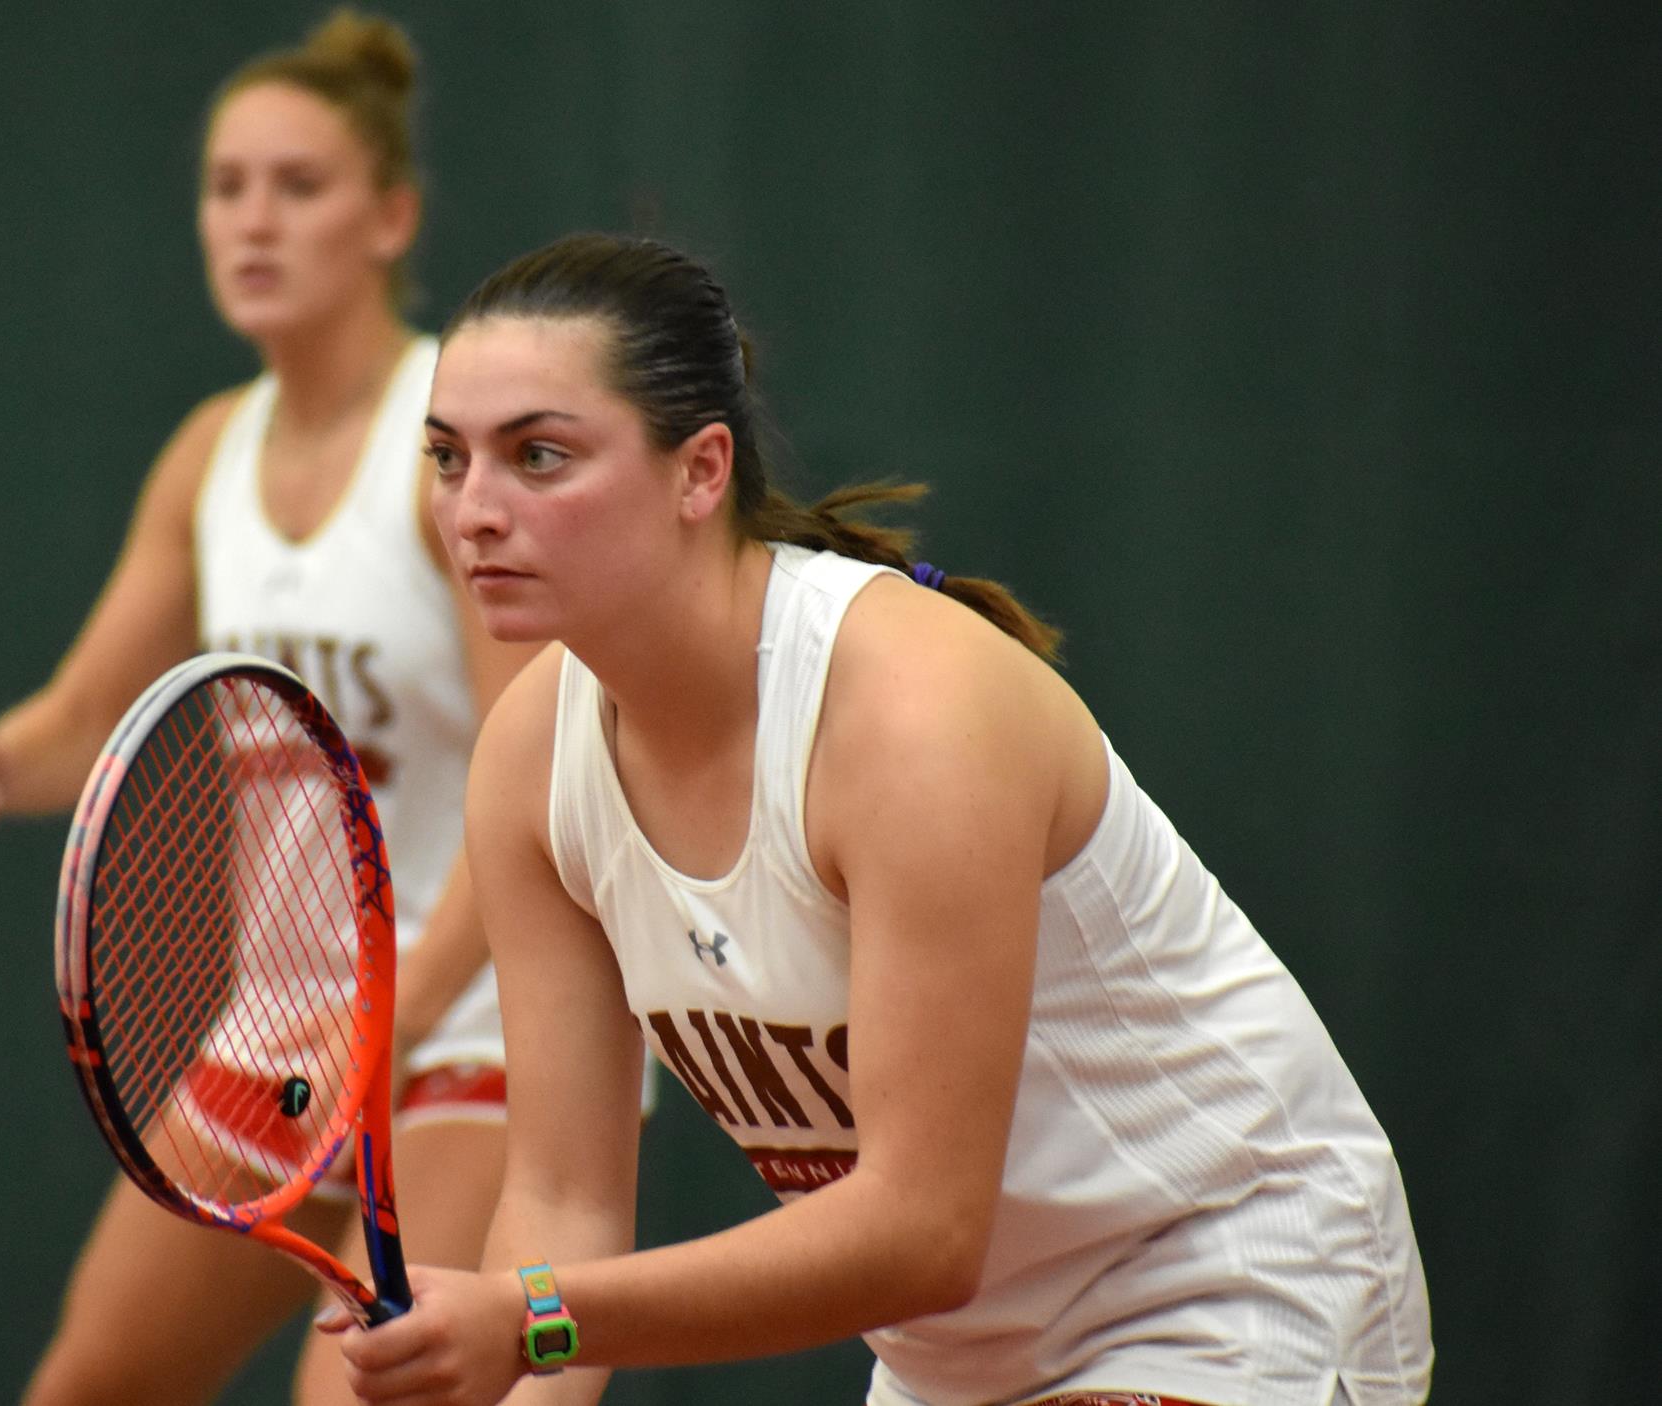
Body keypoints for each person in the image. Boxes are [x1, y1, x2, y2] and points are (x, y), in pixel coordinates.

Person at [332, 233, 1434, 1406]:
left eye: (539, 456)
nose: (474, 509)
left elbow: (921, 1229)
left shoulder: (913, 713)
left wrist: (530, 1320)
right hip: (954, 1358)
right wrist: (525, 1335)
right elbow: (562, 1204)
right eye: (447, 457)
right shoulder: (530, 760)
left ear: (700, 471)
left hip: (1223, 1274)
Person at [0, 13, 544, 1404]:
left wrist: (397, 1017)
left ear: (390, 217)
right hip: (287, 1036)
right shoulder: (208, 456)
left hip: (473, 1029)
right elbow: (82, 720)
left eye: (298, 186)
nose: (253, 220)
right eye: (226, 186)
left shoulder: (446, 447)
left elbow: (532, 781)